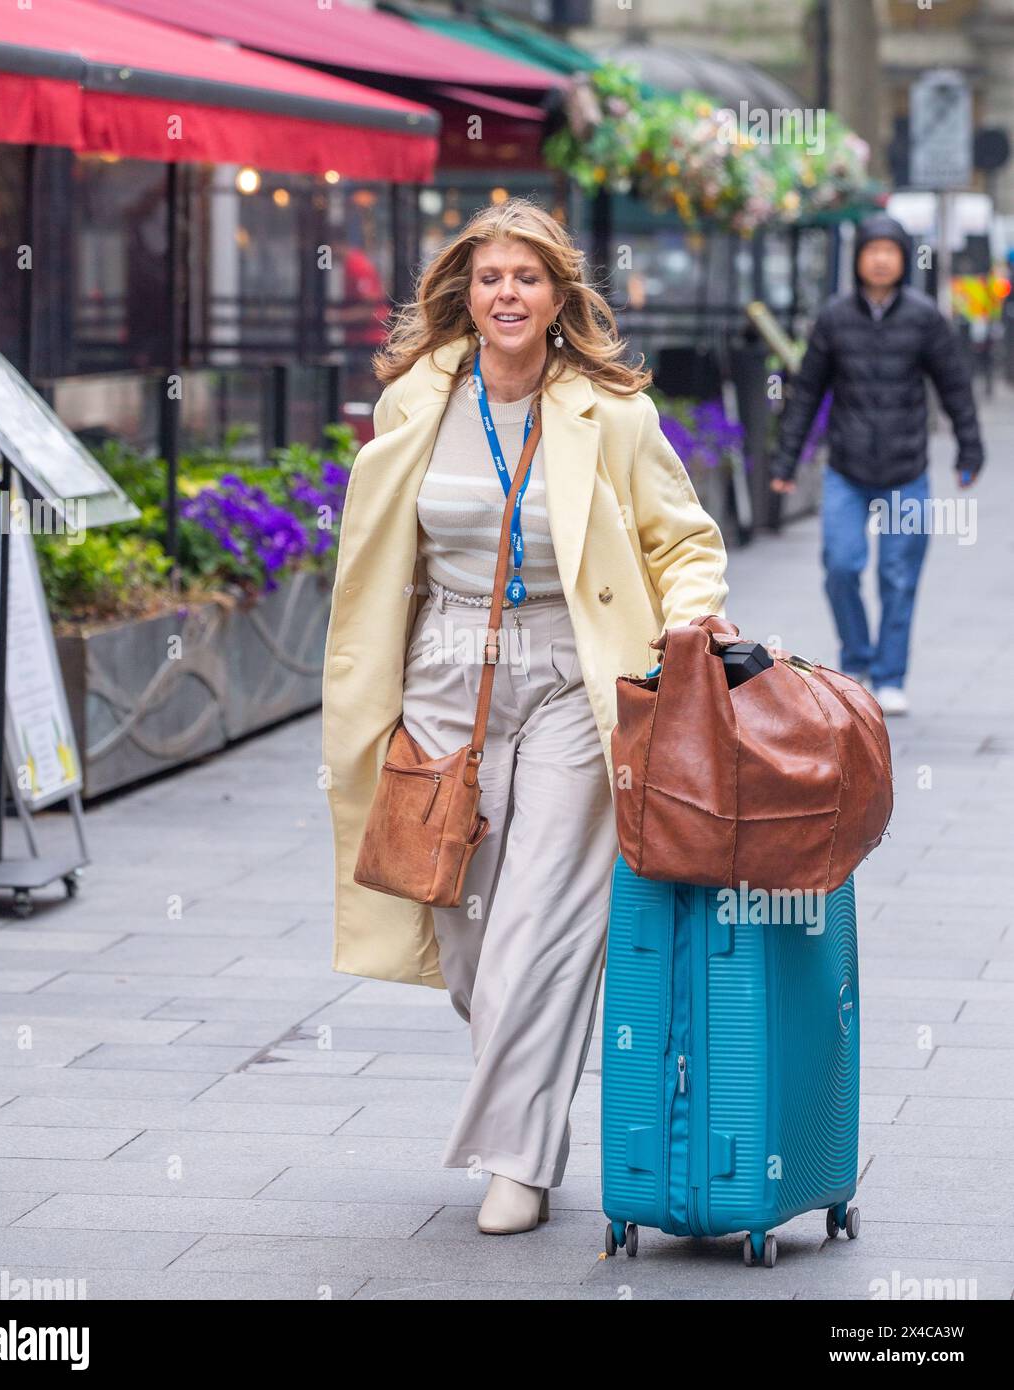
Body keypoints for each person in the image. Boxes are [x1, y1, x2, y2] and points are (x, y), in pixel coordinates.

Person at [321, 197, 729, 1234]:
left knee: (536, 929)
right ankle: (524, 1099)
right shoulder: (413, 400)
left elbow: (683, 540)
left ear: (558, 296)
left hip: (567, 672)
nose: (506, 295)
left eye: (527, 278)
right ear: (464, 290)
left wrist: (689, 619)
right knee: (461, 938)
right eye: (488, 277)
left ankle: (517, 1160)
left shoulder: (611, 412)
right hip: (443, 675)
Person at [769, 212, 983, 716]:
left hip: (907, 469)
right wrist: (785, 460)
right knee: (841, 567)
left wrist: (970, 450)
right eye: (873, 250)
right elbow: (806, 395)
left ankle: (889, 676)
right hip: (846, 469)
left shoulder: (925, 317)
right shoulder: (835, 317)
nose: (882, 259)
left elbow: (955, 387)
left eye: (891, 250)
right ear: (859, 258)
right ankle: (857, 659)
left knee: (899, 577)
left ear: (904, 259)